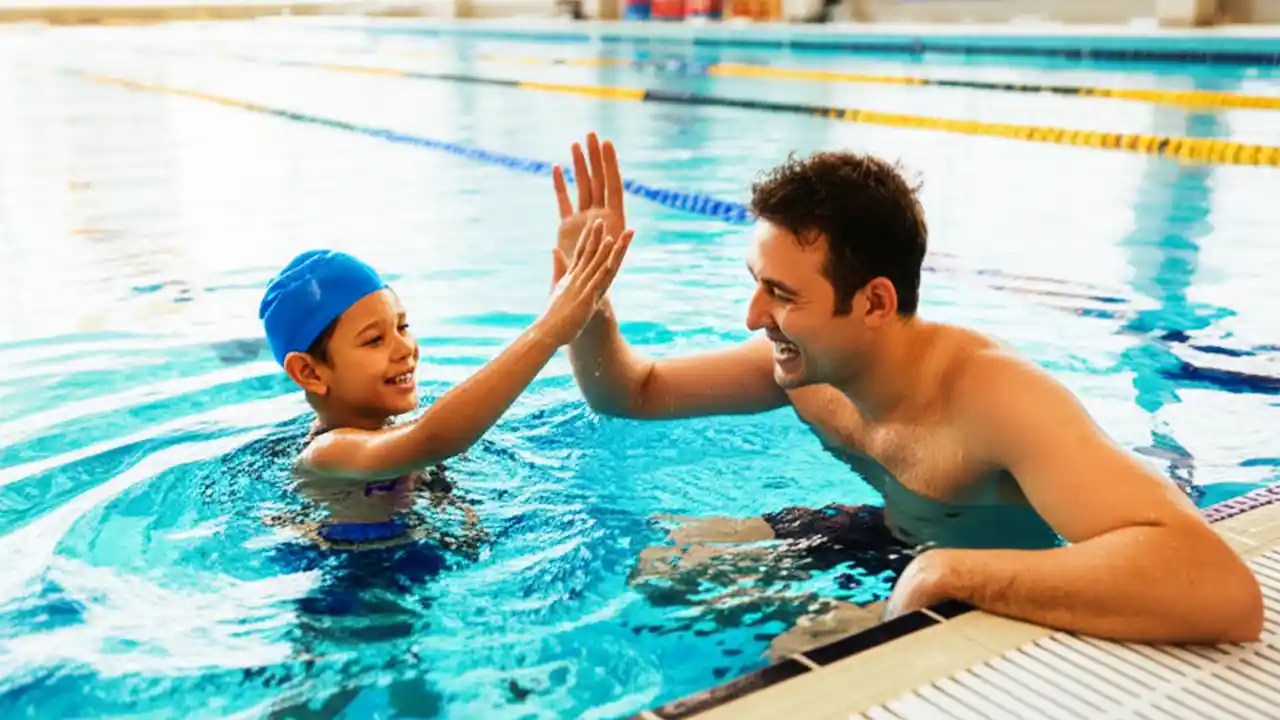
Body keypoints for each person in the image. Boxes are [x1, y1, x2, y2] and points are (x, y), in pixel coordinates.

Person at [549, 132, 1262, 647]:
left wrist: (949, 573)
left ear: (875, 303)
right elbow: (630, 392)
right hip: (897, 538)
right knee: (666, 566)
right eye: (755, 285)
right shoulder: (805, 366)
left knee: (803, 655)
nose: (754, 317)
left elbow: (1220, 590)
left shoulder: (995, 400)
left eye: (781, 294)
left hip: (999, 568)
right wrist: (586, 302)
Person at [258, 219, 631, 547]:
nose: (404, 348)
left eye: (402, 326)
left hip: (412, 559)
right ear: (310, 373)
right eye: (374, 339)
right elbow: (434, 439)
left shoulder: (386, 430)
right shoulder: (328, 452)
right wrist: (549, 330)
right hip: (354, 596)